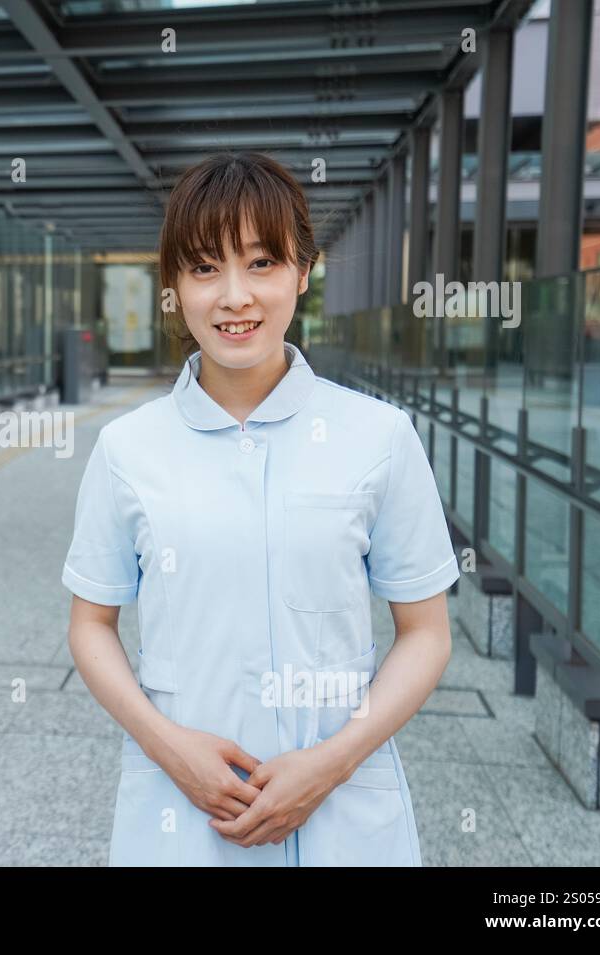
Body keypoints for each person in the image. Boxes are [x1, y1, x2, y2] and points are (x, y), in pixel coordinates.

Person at [61, 152, 460, 866]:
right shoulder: (128, 448)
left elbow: (426, 635)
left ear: (303, 272)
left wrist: (332, 763)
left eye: (262, 263)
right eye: (205, 268)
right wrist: (170, 748)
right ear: (175, 287)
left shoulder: (380, 437)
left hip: (346, 813)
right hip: (180, 816)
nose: (234, 296)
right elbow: (92, 625)